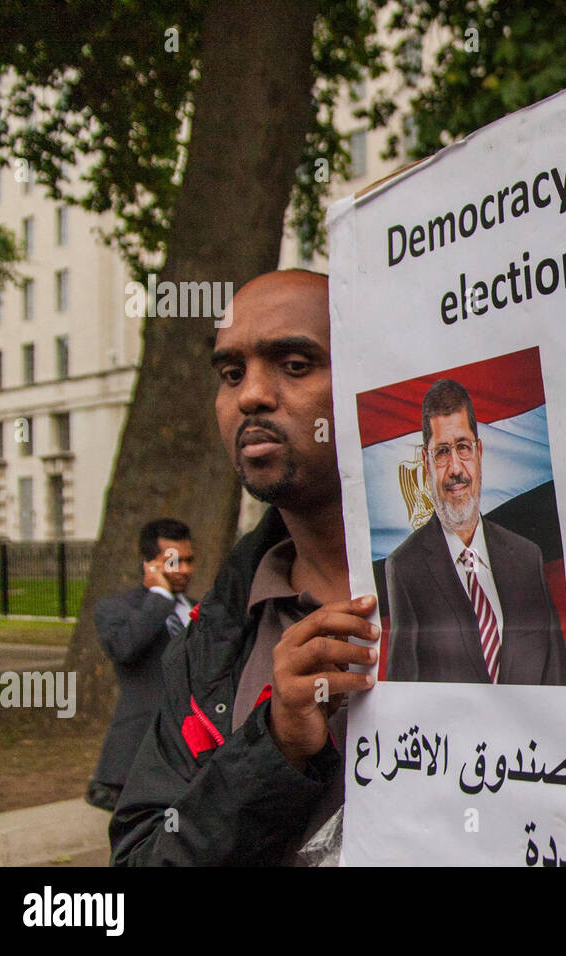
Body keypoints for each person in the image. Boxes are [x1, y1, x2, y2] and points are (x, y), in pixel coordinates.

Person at [110, 269, 379, 865]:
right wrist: (275, 747)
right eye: (231, 374)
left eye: (295, 364)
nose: (251, 395)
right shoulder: (214, 637)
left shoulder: (473, 589)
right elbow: (141, 857)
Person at [384, 379, 566, 684]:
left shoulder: (526, 558)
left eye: (463, 447)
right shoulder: (404, 569)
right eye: (442, 452)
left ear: (479, 451)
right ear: (425, 461)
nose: (455, 468)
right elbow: (403, 700)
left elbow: (557, 677)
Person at [85, 518, 196, 812]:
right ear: (149, 563)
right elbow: (125, 647)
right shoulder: (116, 609)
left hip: (197, 755)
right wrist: (160, 596)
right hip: (139, 754)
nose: (184, 569)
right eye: (174, 561)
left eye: (188, 560)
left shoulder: (204, 610)